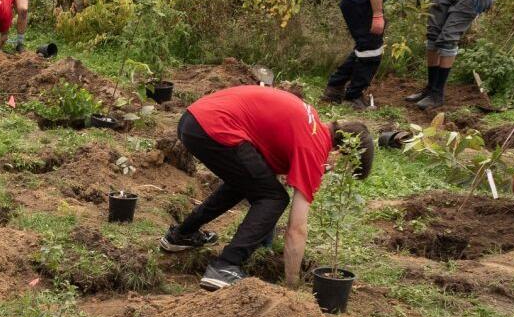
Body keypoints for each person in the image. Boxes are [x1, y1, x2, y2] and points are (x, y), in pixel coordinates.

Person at [159, 85, 372, 290]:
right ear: (340, 153)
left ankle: (182, 234)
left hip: (194, 119)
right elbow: (296, 229)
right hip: (215, 126)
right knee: (275, 198)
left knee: (247, 184)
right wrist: (292, 284)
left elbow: (260, 177)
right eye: (343, 168)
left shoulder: (312, 124)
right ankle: (225, 266)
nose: (334, 172)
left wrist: (264, 241)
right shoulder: (315, 149)